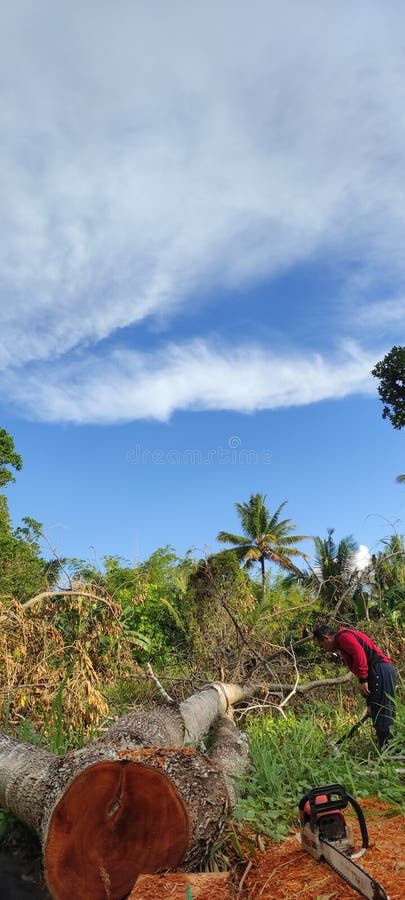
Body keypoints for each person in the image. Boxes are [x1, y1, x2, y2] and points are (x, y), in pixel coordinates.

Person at [313, 624, 397, 750]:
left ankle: (390, 751)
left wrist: (363, 679)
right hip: (377, 672)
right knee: (376, 711)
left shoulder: (343, 637)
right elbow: (360, 668)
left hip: (380, 669)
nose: (323, 649)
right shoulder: (342, 644)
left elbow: (359, 653)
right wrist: (369, 703)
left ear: (326, 638)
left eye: (321, 645)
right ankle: (388, 749)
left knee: (382, 712)